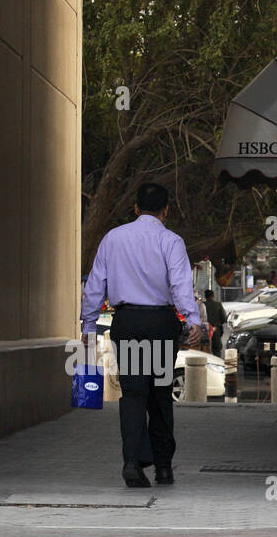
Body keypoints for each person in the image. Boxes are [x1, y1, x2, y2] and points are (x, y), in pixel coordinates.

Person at [81, 183, 201, 488]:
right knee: (161, 394)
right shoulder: (171, 241)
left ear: (136, 208)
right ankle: (163, 467)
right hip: (160, 323)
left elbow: (96, 283)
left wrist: (88, 325)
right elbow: (179, 284)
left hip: (128, 322)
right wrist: (192, 318)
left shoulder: (113, 238)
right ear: (166, 211)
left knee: (133, 395)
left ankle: (132, 462)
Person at [204, 289, 227, 357]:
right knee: (217, 350)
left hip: (205, 330)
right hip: (216, 328)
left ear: (205, 296)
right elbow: (223, 318)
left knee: (205, 349)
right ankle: (216, 364)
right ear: (213, 296)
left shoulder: (203, 305)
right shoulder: (218, 304)